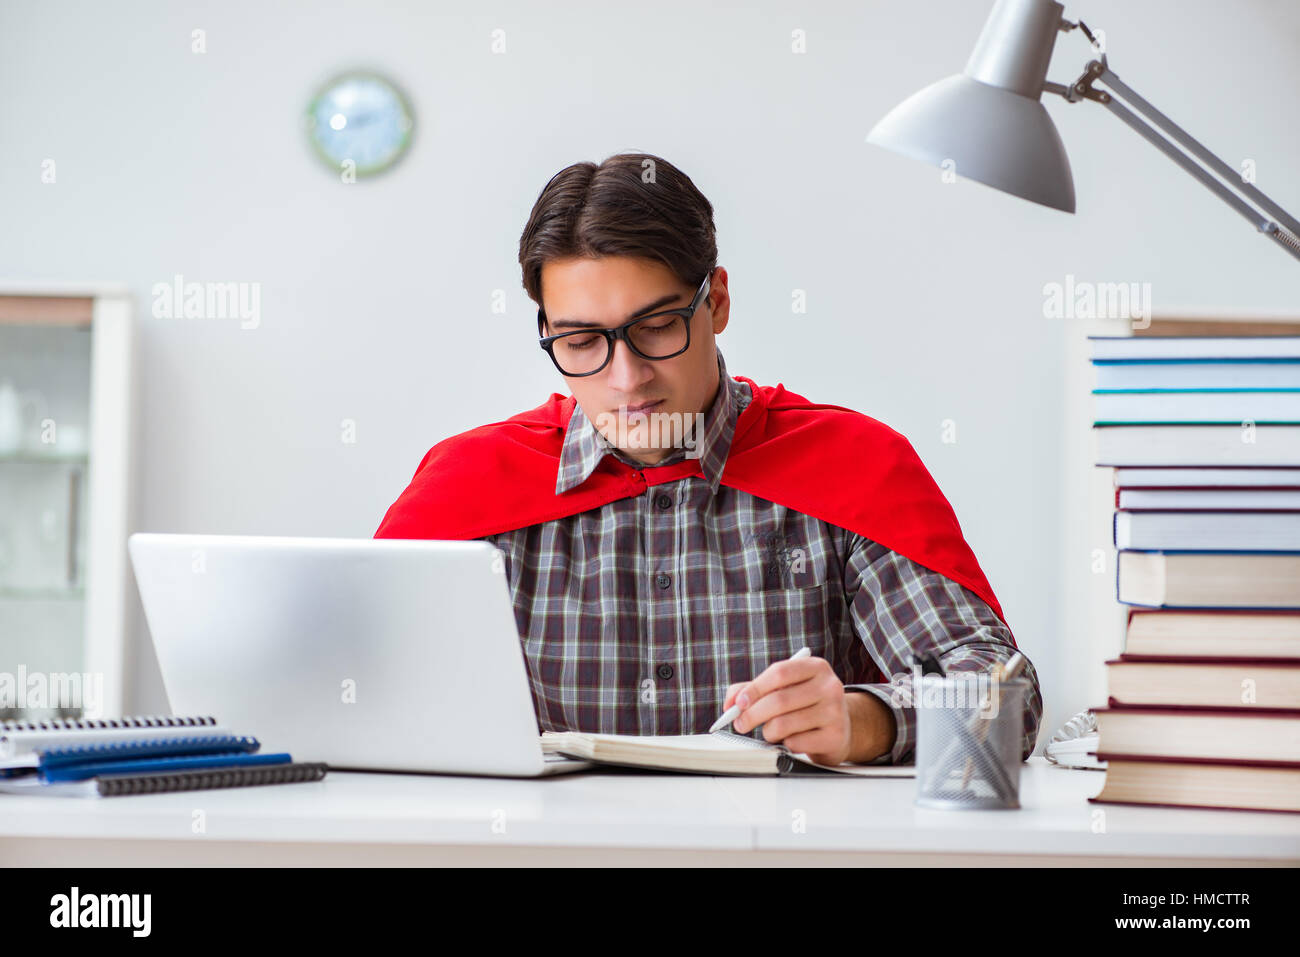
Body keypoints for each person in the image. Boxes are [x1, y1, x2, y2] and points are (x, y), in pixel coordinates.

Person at [375, 152, 1043, 766]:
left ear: (716, 301)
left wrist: (865, 720)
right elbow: (354, 695)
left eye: (657, 326)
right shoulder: (466, 487)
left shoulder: (854, 466)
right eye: (582, 341)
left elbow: (1003, 699)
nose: (627, 378)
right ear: (548, 334)